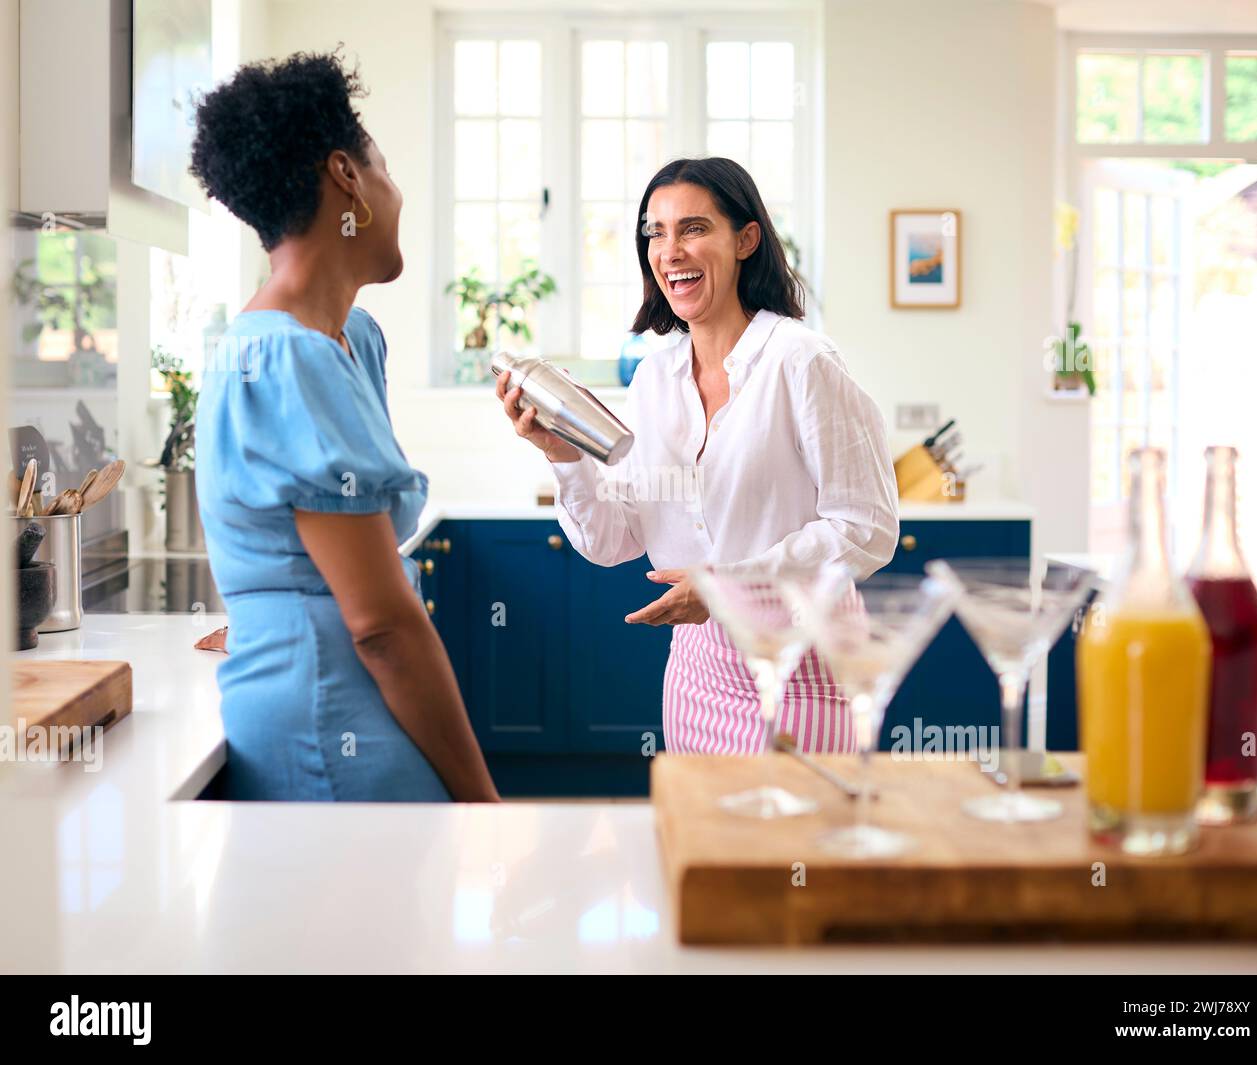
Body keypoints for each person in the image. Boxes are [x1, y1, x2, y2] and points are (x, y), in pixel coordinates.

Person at [498, 157, 899, 754]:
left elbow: (866, 529)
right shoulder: (654, 378)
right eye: (655, 233)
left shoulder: (801, 361)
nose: (670, 250)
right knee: (708, 843)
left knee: (795, 844)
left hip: (807, 669)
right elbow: (616, 539)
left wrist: (725, 587)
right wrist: (565, 457)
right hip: (699, 673)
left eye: (693, 228)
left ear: (745, 239)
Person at [191, 51, 497, 801]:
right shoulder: (287, 360)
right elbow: (381, 627)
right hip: (331, 732)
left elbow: (305, 558)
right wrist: (484, 801)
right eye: (384, 168)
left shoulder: (348, 340)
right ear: (347, 177)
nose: (398, 193)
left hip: (355, 711)